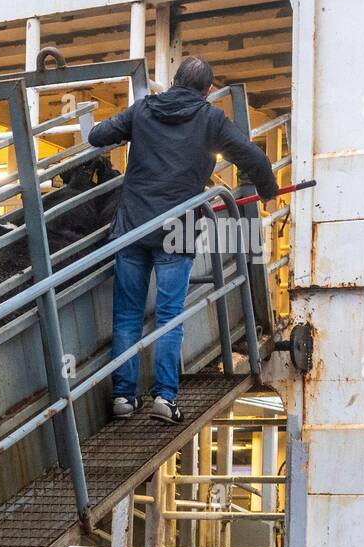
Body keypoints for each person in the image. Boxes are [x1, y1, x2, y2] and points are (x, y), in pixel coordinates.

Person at [88, 56, 278, 424]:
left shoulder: (143, 110)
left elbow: (97, 136)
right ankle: (164, 397)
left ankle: (124, 398)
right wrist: (267, 190)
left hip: (132, 227)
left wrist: (127, 127)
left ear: (174, 81)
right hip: (177, 230)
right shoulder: (210, 120)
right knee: (169, 315)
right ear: (207, 91)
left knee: (126, 314)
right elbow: (252, 156)